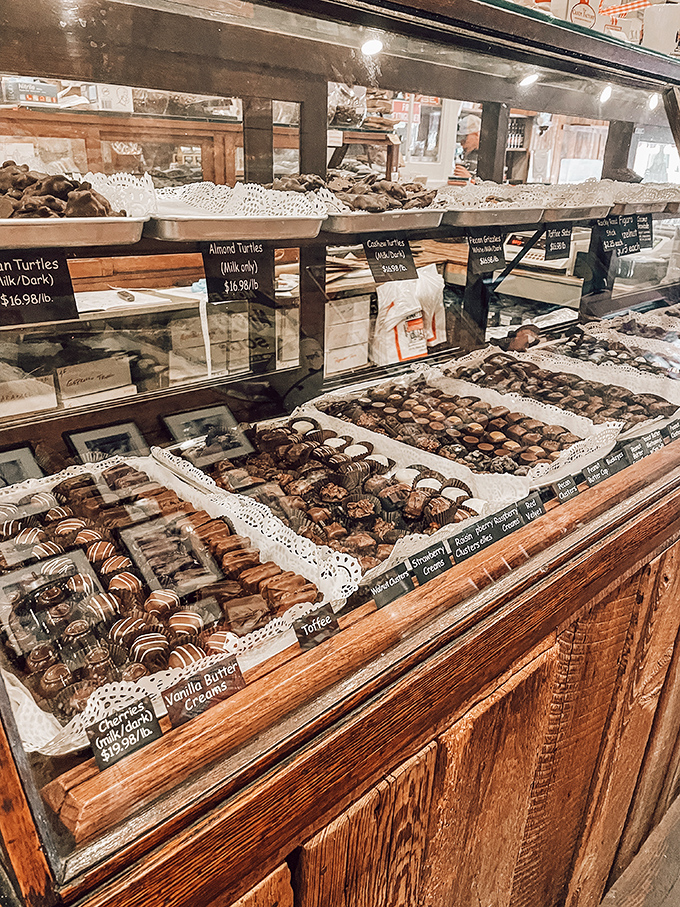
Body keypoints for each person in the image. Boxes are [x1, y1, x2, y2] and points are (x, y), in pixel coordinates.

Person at [454, 114, 481, 179]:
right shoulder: (470, 154)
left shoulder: (489, 157)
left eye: (464, 138)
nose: (462, 144)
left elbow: (491, 187)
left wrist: (469, 179)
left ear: (477, 134)